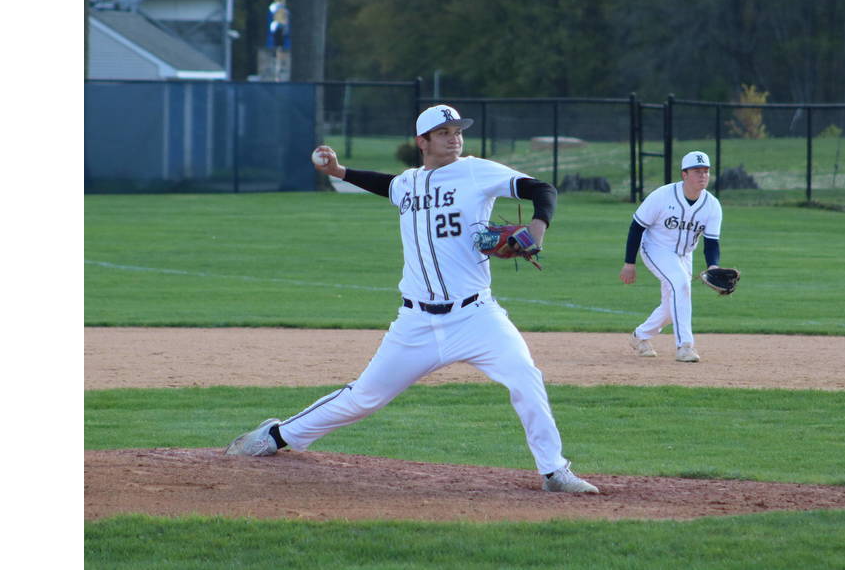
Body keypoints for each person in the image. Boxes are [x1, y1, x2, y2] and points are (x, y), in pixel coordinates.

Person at [224, 105, 599, 494]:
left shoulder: (476, 170)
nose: (454, 137)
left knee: (525, 377)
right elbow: (386, 184)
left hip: (477, 317)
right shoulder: (408, 183)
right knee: (363, 399)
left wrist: (537, 229)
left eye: (457, 130)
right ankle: (277, 434)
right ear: (422, 142)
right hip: (416, 324)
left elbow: (542, 189)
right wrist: (340, 173)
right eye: (444, 132)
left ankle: (554, 472)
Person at [619, 151, 725, 362]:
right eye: (697, 171)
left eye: (706, 171)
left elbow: (711, 243)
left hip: (684, 255)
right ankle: (685, 346)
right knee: (681, 285)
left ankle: (639, 336)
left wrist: (713, 266)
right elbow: (636, 227)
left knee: (674, 303)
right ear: (684, 174)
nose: (702, 175)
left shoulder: (712, 205)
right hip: (655, 248)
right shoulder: (663, 195)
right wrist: (629, 263)